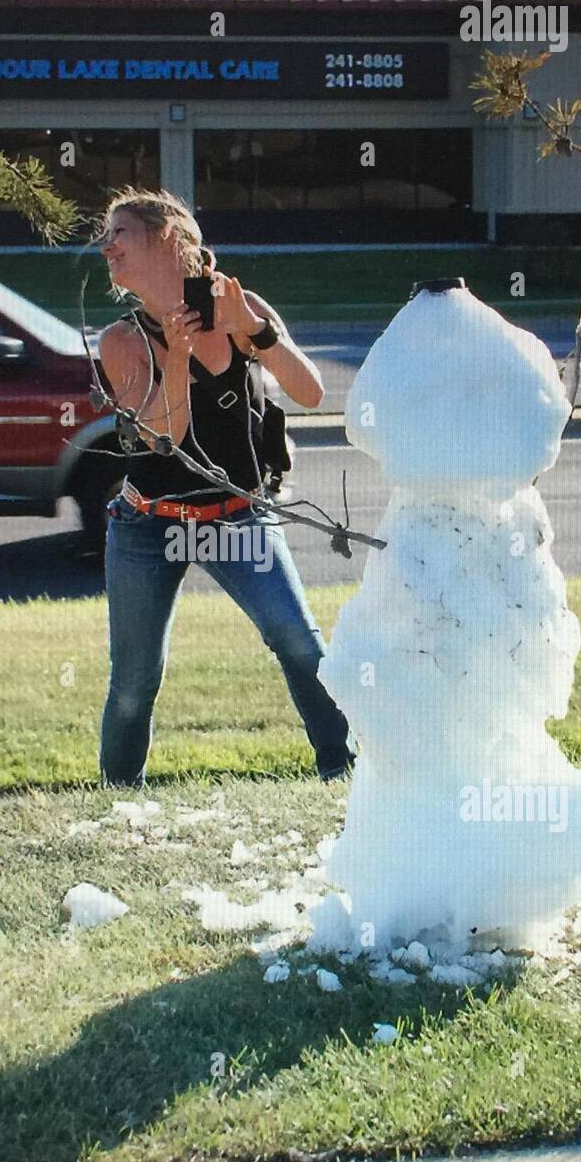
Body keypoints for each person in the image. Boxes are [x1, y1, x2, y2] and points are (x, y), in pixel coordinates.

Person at [94, 187, 356, 788]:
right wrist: (179, 359)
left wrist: (255, 332)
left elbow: (312, 392)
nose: (106, 247)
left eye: (120, 233)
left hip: (235, 515)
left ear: (167, 238)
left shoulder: (242, 308)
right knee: (135, 681)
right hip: (147, 523)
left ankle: (342, 770)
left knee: (298, 643)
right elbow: (163, 438)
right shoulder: (122, 342)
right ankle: (116, 799)